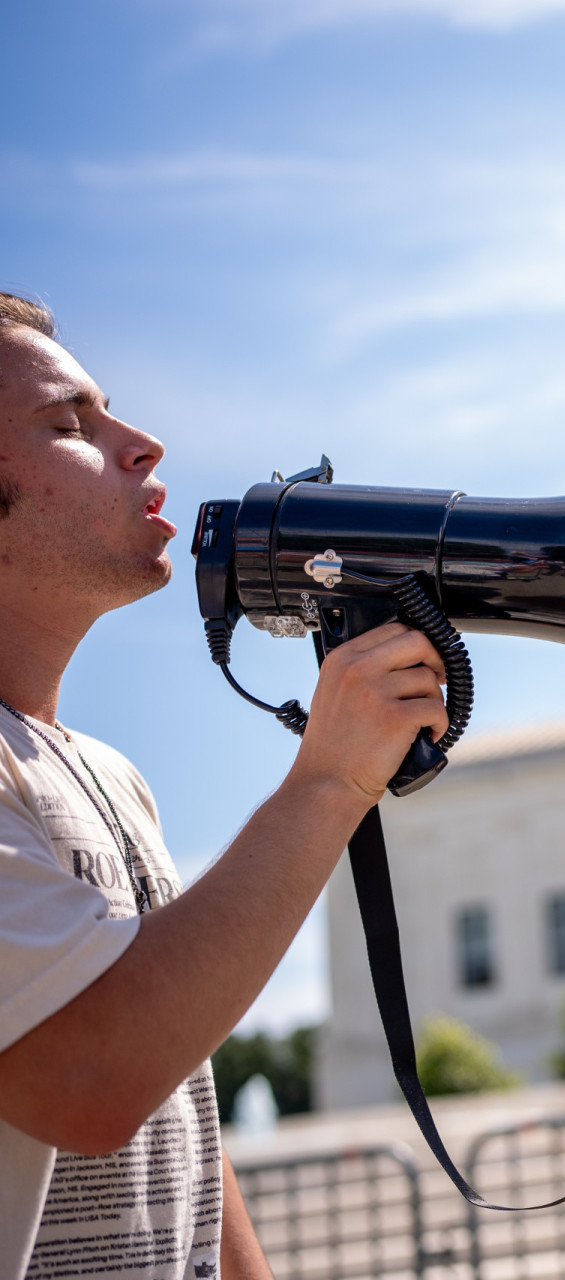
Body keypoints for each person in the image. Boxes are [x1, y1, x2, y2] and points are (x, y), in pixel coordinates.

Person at [0, 293, 450, 1277]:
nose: (145, 442)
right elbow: (89, 1075)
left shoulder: (109, 772)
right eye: (71, 424)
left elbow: (171, 1090)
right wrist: (328, 779)